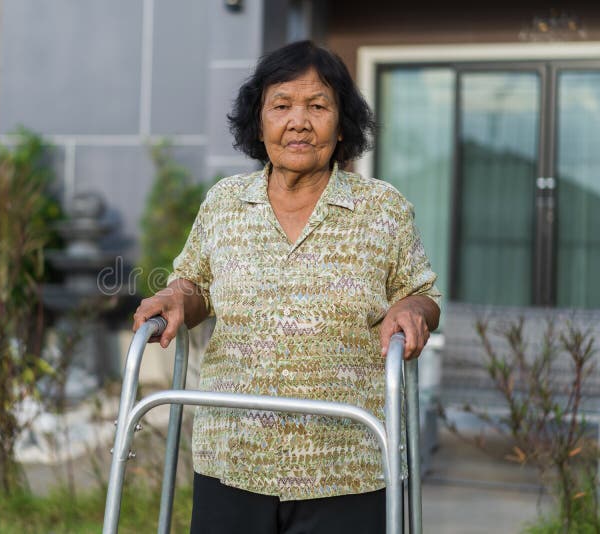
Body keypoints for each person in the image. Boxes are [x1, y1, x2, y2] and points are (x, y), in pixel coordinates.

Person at [133, 40, 440, 534]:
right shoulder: (225, 202)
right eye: (281, 106)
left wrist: (412, 309)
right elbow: (195, 285)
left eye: (317, 106)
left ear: (342, 125)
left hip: (348, 466)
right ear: (260, 122)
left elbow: (422, 292)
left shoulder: (383, 208)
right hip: (233, 458)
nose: (299, 121)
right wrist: (174, 297)